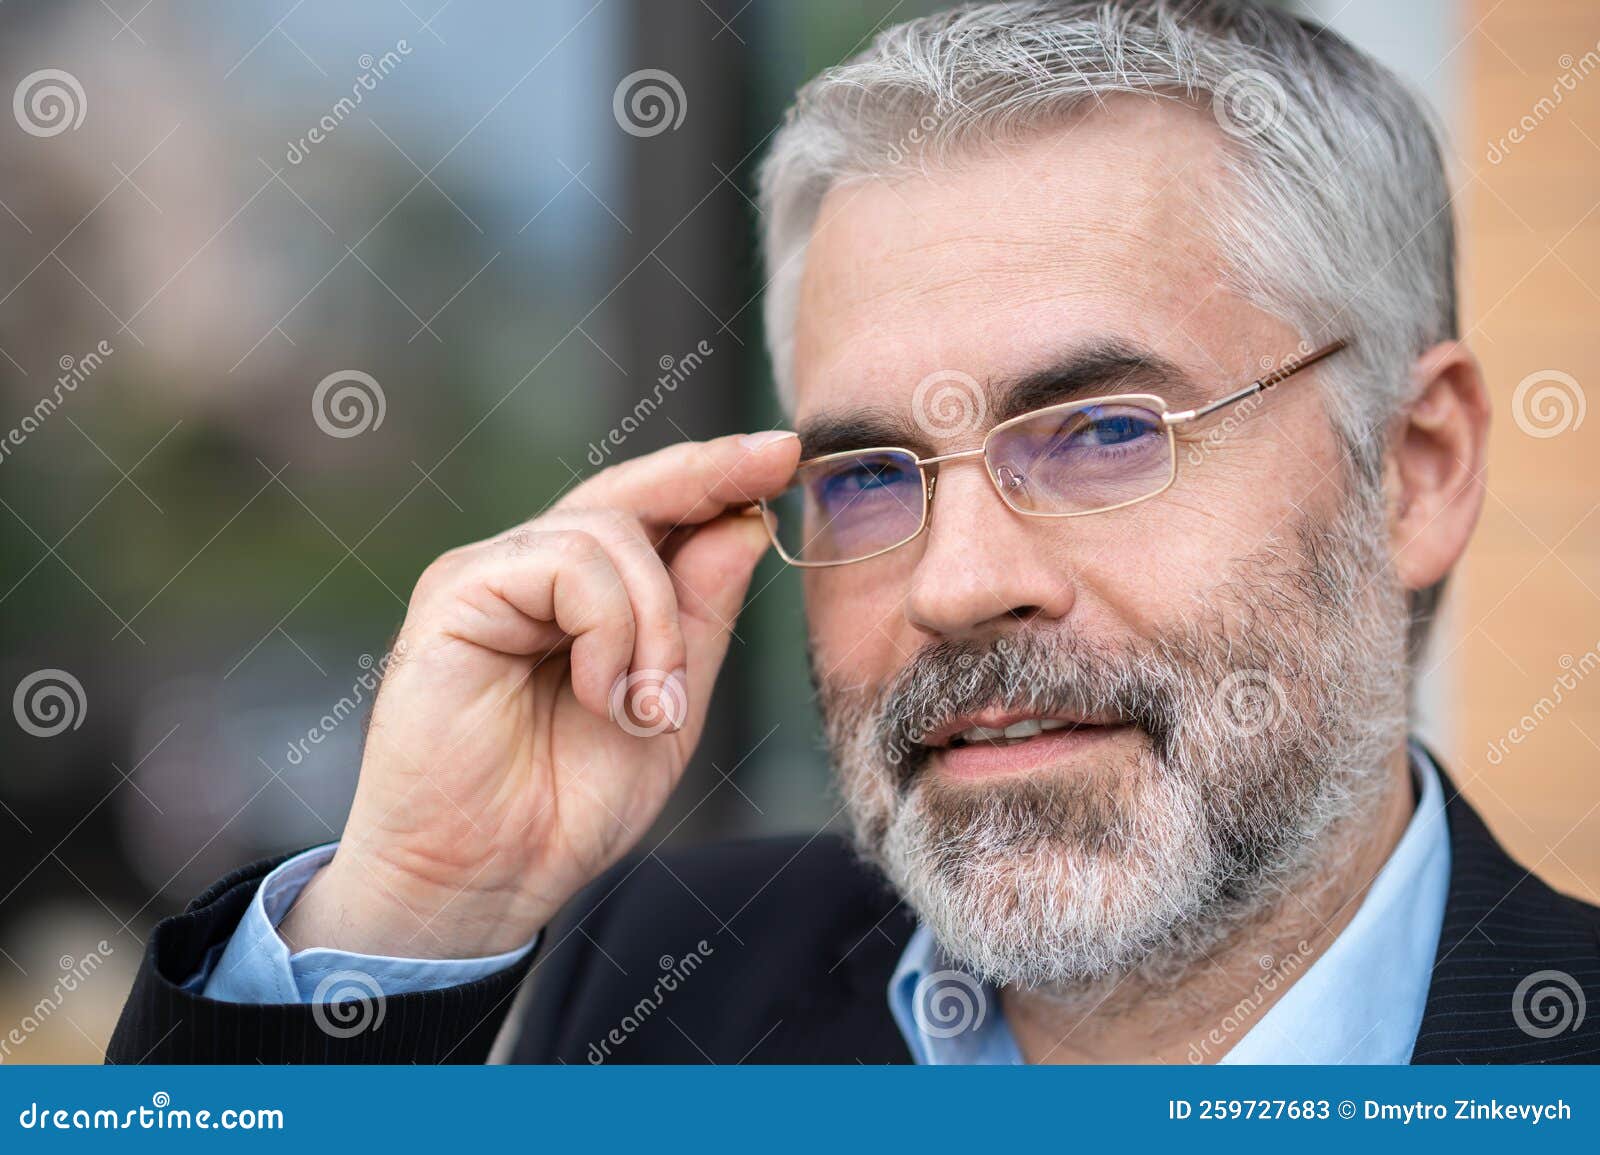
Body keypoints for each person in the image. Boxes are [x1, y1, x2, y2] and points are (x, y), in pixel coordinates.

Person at [111, 0, 1599, 1065]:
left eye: (1101, 434)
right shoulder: (662, 986)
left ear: (1415, 468)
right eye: (875, 473)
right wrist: (420, 907)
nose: (954, 583)